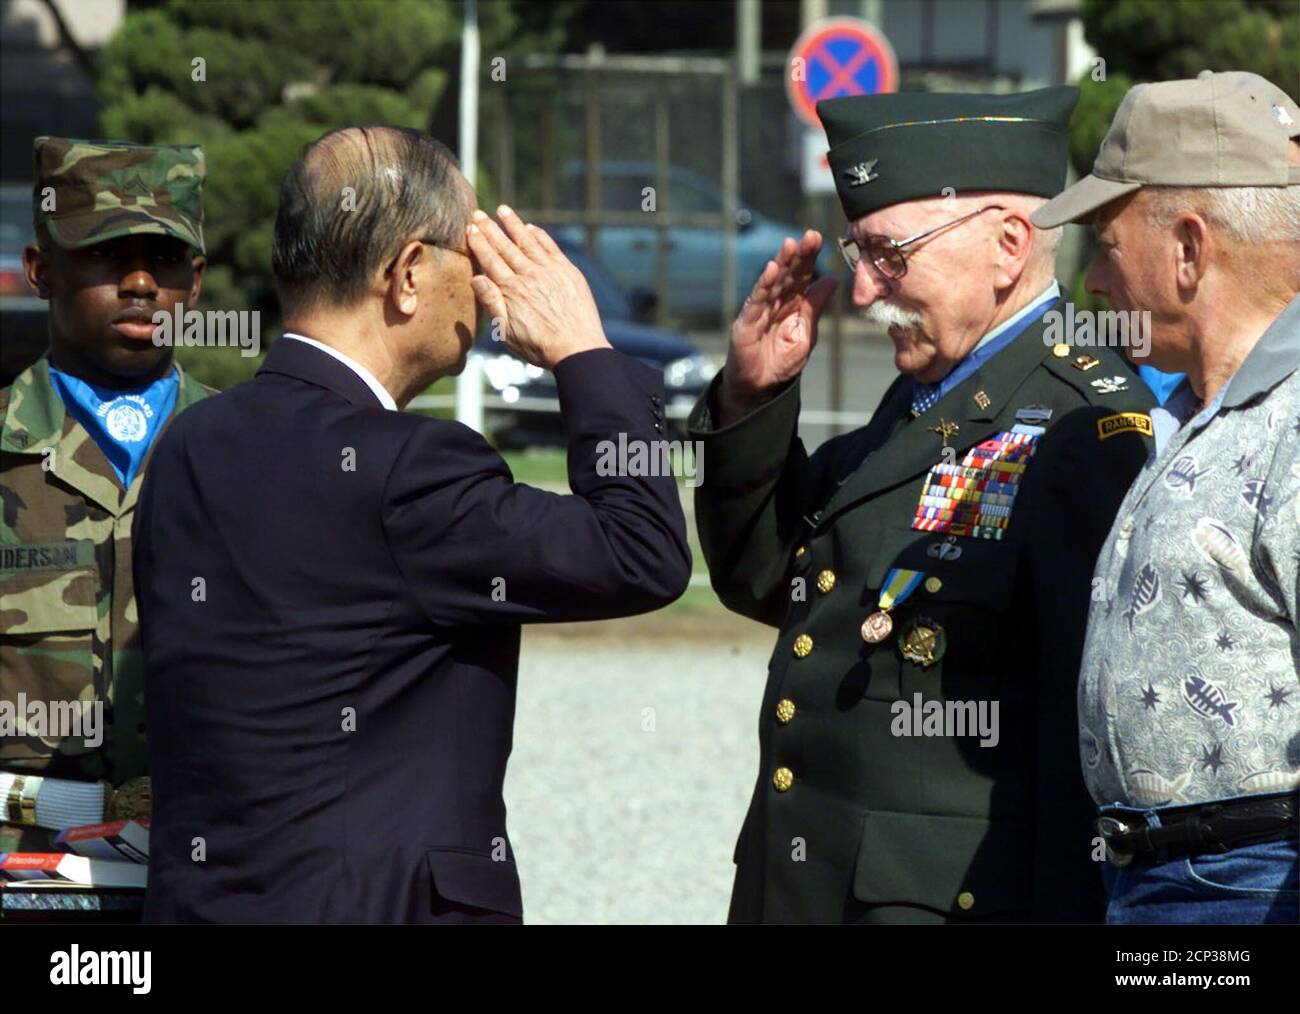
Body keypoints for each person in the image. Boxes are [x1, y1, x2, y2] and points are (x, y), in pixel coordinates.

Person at [132, 126, 691, 924]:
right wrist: (584, 352)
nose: (489, 284)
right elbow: (644, 553)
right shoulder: (412, 469)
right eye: (474, 255)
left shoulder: (191, 442)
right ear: (407, 275)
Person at [689, 87, 1156, 924]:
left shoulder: (1083, 425)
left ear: (1008, 245)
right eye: (855, 253)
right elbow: (770, 578)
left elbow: (1083, 745)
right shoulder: (925, 399)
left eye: (890, 254)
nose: (864, 291)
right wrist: (753, 398)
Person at [1032, 70, 1300, 924]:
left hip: (1251, 887)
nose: (1093, 285)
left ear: (1189, 248)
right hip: (1174, 878)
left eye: (1104, 246)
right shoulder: (1194, 409)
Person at [1, 138, 211, 861]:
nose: (142, 284)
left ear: (199, 281)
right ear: (40, 271)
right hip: (20, 868)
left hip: (202, 875)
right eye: (104, 257)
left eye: (166, 260)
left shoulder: (245, 457)